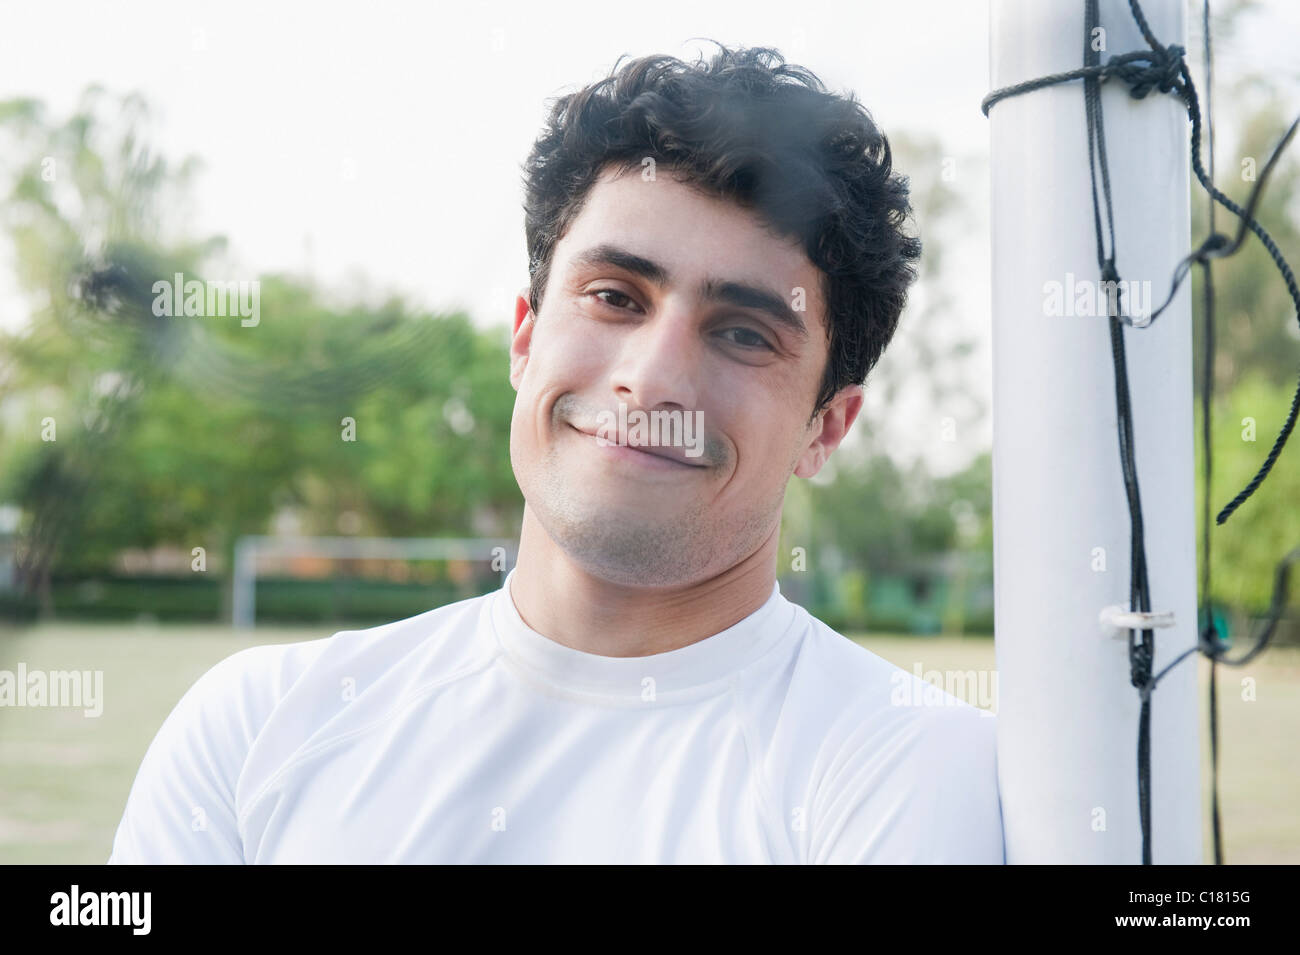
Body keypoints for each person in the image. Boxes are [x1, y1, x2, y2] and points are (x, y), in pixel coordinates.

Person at [108, 43, 1004, 864]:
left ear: (827, 427)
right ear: (524, 338)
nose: (651, 382)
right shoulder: (254, 728)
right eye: (615, 297)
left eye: (742, 334)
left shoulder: (904, 766)